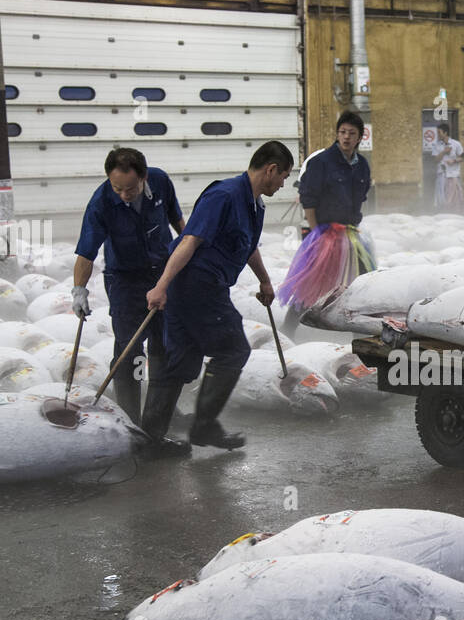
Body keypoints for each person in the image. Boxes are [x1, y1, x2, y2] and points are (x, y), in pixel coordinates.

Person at [143, 141, 294, 451]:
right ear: (271, 169)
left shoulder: (255, 204)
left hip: (204, 286)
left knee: (181, 362)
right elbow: (189, 242)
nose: (283, 184)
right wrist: (161, 286)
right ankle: (204, 426)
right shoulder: (223, 196)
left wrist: (265, 281)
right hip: (196, 284)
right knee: (234, 349)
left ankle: (151, 439)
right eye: (284, 177)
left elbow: (248, 245)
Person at [71, 147, 186, 458]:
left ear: (144, 178)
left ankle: (154, 434)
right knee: (129, 353)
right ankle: (129, 429)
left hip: (162, 275)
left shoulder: (160, 182)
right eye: (116, 187)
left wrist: (190, 256)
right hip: (124, 281)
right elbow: (86, 253)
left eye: (130, 189)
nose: (123, 195)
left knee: (165, 350)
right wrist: (79, 290)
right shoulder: (101, 202)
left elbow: (177, 221)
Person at [276, 111, 374, 334]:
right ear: (337, 134)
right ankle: (288, 330)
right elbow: (308, 199)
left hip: (350, 233)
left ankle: (359, 333)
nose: (346, 137)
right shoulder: (322, 162)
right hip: (323, 232)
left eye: (352, 133)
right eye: (342, 132)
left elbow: (362, 196)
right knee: (312, 283)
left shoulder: (362, 166)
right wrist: (316, 233)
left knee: (360, 282)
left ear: (360, 137)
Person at [432, 122, 464, 211]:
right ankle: (443, 216)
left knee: (454, 199)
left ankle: (455, 216)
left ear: (445, 133)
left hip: (453, 175)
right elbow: (435, 160)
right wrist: (444, 152)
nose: (438, 135)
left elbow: (463, 157)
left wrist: (454, 160)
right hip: (441, 175)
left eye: (439, 132)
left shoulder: (456, 144)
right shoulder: (436, 145)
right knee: (441, 199)